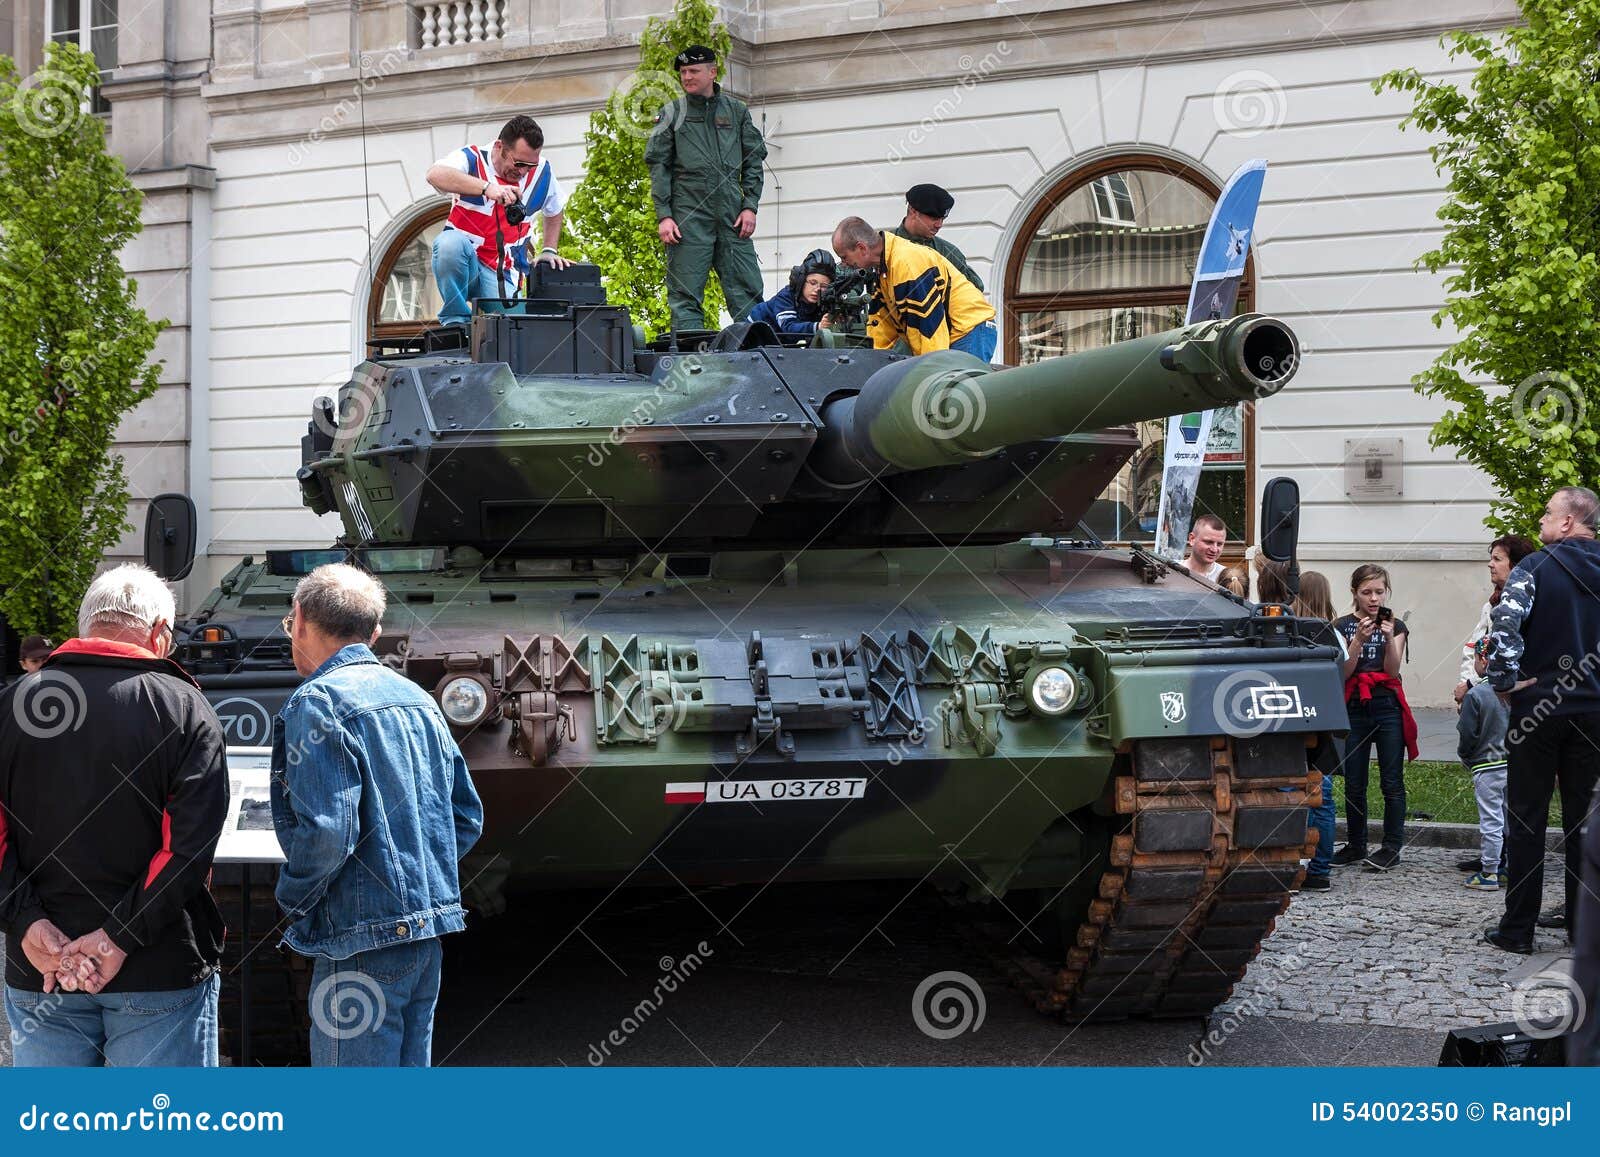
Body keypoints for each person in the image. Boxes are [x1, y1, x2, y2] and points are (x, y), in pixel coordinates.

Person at [0, 564, 228, 1066]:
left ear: (86, 626)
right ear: (160, 633)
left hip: (42, 968)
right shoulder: (186, 709)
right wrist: (116, 939)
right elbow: (188, 849)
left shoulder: (11, 705)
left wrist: (26, 922)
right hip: (155, 971)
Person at [272, 563, 484, 1065]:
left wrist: (292, 899)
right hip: (426, 936)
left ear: (299, 619)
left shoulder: (318, 702)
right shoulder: (419, 700)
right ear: (374, 632)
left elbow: (329, 832)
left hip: (357, 938)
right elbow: (466, 817)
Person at [1484, 486, 1600, 955]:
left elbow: (1505, 626)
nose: (1541, 520)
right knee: (1584, 822)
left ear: (1569, 521)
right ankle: (1582, 926)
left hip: (1539, 708)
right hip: (1593, 711)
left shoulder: (1533, 567)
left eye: (1549, 513)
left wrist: (1503, 680)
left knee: (1527, 818)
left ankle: (1518, 930)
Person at [645, 45, 767, 333]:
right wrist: (665, 215)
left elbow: (753, 161)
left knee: (747, 291)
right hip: (688, 217)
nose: (687, 77)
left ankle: (757, 350)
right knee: (685, 294)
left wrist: (750, 206)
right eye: (683, 72)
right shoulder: (672, 113)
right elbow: (659, 166)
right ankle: (692, 355)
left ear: (712, 72)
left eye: (694, 71)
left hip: (732, 216)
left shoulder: (736, 112)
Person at [426, 115, 572, 327]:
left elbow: (555, 208)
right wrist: (487, 188)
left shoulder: (542, 171)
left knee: (513, 330)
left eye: (529, 166)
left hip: (504, 273)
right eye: (518, 163)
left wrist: (549, 249)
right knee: (448, 244)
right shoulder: (472, 158)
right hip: (465, 260)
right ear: (499, 146)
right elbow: (434, 175)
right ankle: (456, 320)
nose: (523, 171)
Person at [1329, 563, 1417, 872]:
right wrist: (1357, 642)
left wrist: (1389, 637)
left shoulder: (1396, 625)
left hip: (1386, 705)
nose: (1374, 599)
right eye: (1367, 592)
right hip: (1355, 705)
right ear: (1355, 593)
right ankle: (1356, 844)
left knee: (1391, 780)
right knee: (1354, 781)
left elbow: (1392, 671)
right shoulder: (1341, 626)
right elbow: (1343, 673)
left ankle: (1391, 846)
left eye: (1379, 592)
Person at [832, 216, 997, 360]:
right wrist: (875, 361)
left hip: (970, 328)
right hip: (956, 329)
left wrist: (929, 369)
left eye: (844, 257)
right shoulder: (884, 268)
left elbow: (928, 327)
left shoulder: (906, 263)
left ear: (862, 248)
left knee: (954, 385)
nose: (844, 263)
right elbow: (882, 323)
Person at [1293, 571, 1340, 892]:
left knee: (1290, 792)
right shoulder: (1333, 635)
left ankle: (1292, 862)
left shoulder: (1291, 632)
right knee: (1322, 797)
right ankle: (1320, 868)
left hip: (1295, 721)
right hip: (1326, 720)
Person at [1454, 534, 1539, 706]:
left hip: (1513, 696)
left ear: (1516, 565)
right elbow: (1474, 648)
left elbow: (1506, 655)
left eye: (1497, 559)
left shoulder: (1527, 605)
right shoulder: (1491, 604)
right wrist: (1466, 686)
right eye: (1491, 558)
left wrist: (1471, 685)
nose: (1490, 564)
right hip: (1486, 694)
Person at [1457, 637, 1509, 890]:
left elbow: (1467, 734)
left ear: (1483, 659)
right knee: (1511, 820)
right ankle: (1510, 867)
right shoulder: (1514, 691)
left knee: (1491, 821)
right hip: (1516, 764)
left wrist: (1465, 756)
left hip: (1487, 766)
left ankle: (1489, 871)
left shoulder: (1476, 694)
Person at [891, 184, 985, 293]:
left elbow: (975, 290)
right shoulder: (884, 245)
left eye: (943, 219)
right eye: (933, 218)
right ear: (913, 211)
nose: (939, 225)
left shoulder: (948, 252)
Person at [747, 249, 834, 336]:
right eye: (812, 283)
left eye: (824, 286)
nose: (817, 289)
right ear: (801, 280)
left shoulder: (822, 303)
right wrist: (818, 326)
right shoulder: (786, 297)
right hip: (753, 333)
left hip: (778, 340)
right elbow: (789, 328)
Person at [1181, 514, 1227, 581]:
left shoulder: (1227, 577)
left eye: (1219, 544)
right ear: (1192, 539)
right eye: (1209, 542)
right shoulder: (1170, 570)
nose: (1214, 550)